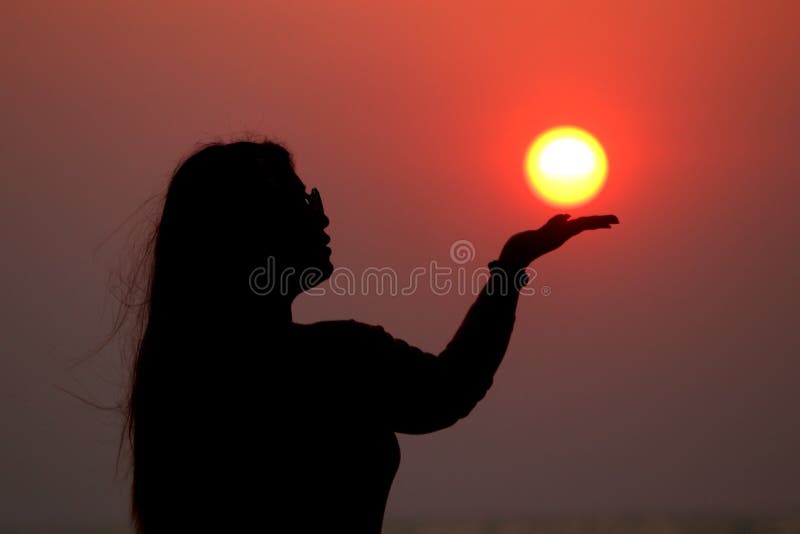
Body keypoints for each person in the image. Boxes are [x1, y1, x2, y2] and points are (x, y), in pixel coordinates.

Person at [123, 139, 618, 532]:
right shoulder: (338, 359)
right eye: (301, 200)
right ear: (247, 230)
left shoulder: (179, 382)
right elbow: (449, 391)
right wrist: (510, 268)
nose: (321, 215)